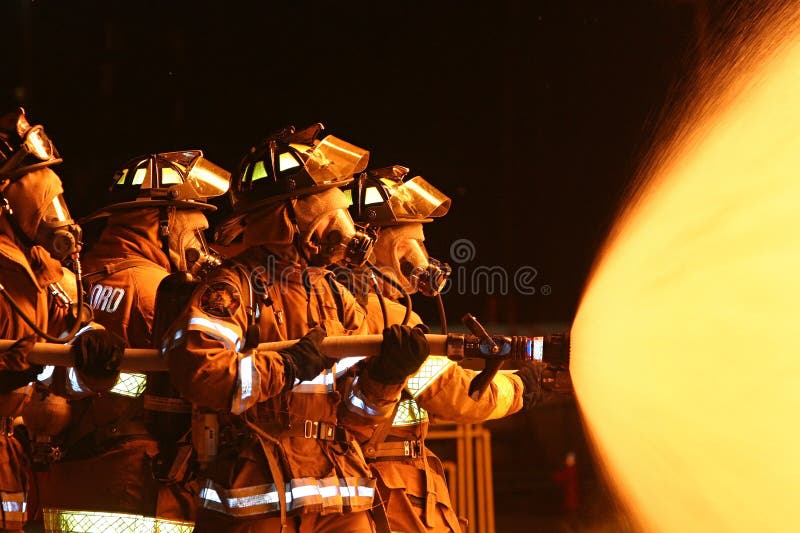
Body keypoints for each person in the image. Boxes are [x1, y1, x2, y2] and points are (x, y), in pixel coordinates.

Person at [167, 123, 429, 532]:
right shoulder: (232, 288)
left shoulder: (335, 294)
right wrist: (288, 365)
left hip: (339, 498)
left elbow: (357, 419)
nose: (342, 224)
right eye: (324, 209)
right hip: (256, 495)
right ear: (286, 218)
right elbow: (203, 374)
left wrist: (386, 378)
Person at [341, 166, 546, 532]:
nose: (422, 257)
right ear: (370, 246)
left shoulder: (346, 304)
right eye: (410, 245)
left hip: (373, 482)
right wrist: (523, 388)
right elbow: (452, 393)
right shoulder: (384, 315)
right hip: (387, 490)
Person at [35, 150, 230, 532]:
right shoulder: (157, 290)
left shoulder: (73, 280)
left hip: (66, 484)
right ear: (164, 222)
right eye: (197, 231)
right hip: (134, 484)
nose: (202, 245)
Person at [0, 105, 123, 532]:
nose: (56, 210)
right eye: (43, 196)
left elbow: (60, 347)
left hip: (10, 456)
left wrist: (94, 351)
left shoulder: (40, 269)